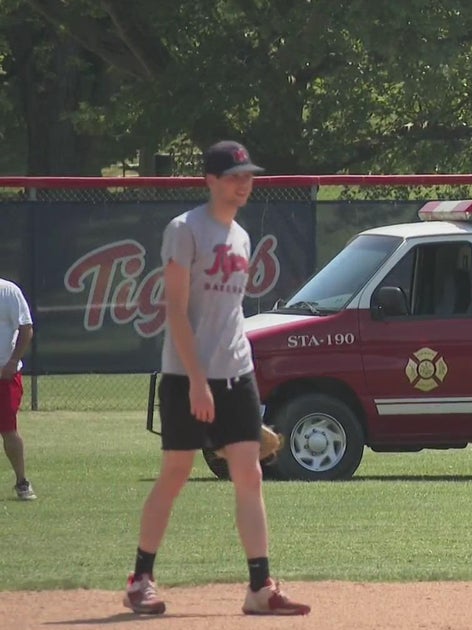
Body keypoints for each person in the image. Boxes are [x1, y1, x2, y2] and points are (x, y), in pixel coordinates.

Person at [123, 141, 310, 616]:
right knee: (177, 471)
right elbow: (176, 311)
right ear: (210, 179)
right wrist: (198, 382)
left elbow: (229, 315)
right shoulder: (185, 230)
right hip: (187, 374)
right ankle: (140, 578)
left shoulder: (241, 237)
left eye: (247, 175)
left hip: (237, 372)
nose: (243, 182)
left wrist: (232, 384)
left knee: (249, 475)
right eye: (233, 175)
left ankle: (259, 587)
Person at [0, 276, 34, 501]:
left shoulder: (8, 290)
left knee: (8, 430)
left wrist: (12, 362)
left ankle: (22, 482)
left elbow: (26, 328)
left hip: (4, 374)